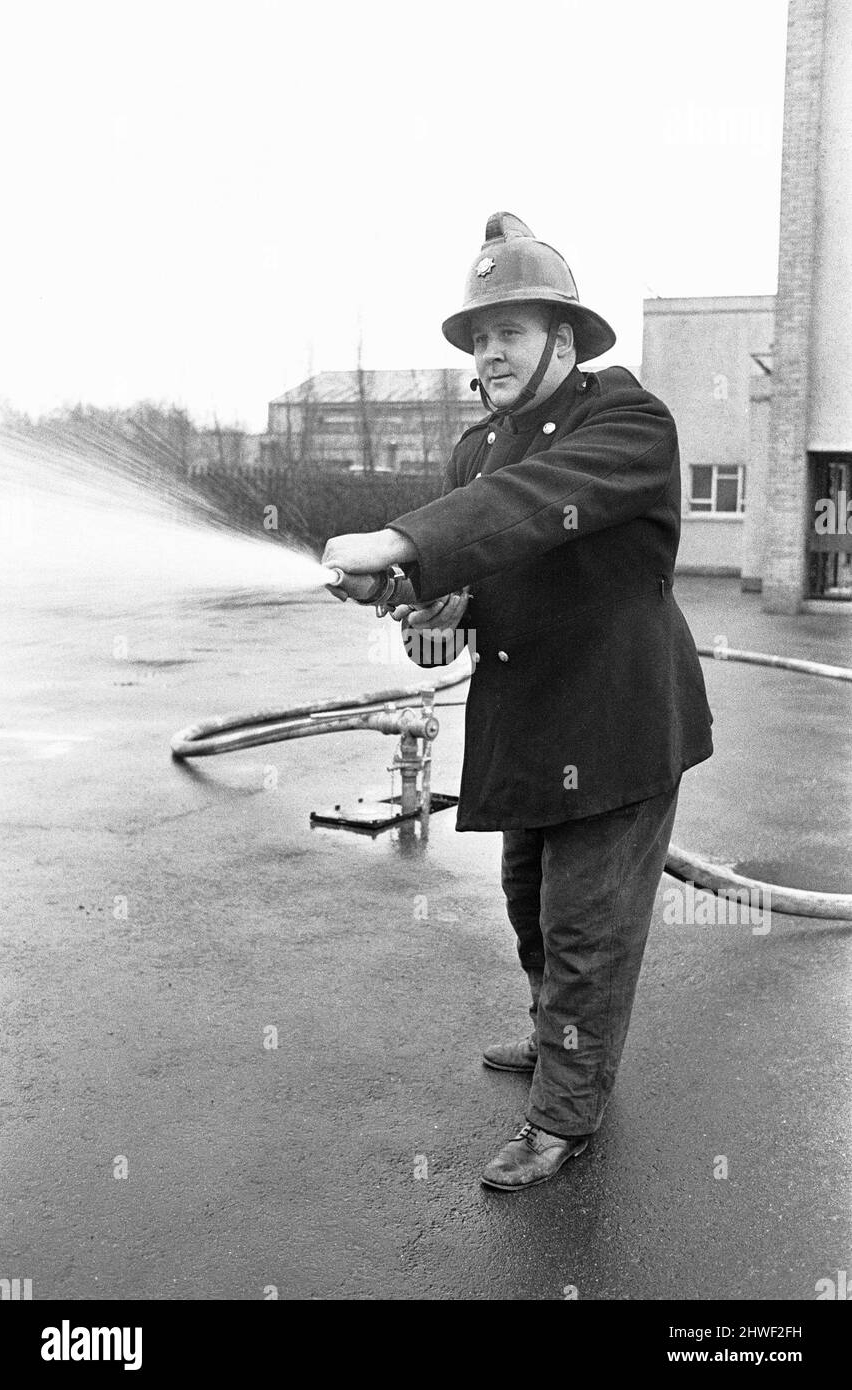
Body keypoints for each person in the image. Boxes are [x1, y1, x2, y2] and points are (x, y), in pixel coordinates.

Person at [322, 212, 713, 1192]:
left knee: (588, 930)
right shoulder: (475, 451)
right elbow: (468, 579)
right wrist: (424, 604)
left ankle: (564, 1117)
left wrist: (406, 544)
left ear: (566, 342)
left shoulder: (626, 423)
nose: (488, 351)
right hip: (530, 726)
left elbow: (532, 504)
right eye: (477, 335)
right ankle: (558, 1046)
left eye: (511, 330)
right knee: (529, 910)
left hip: (618, 725)